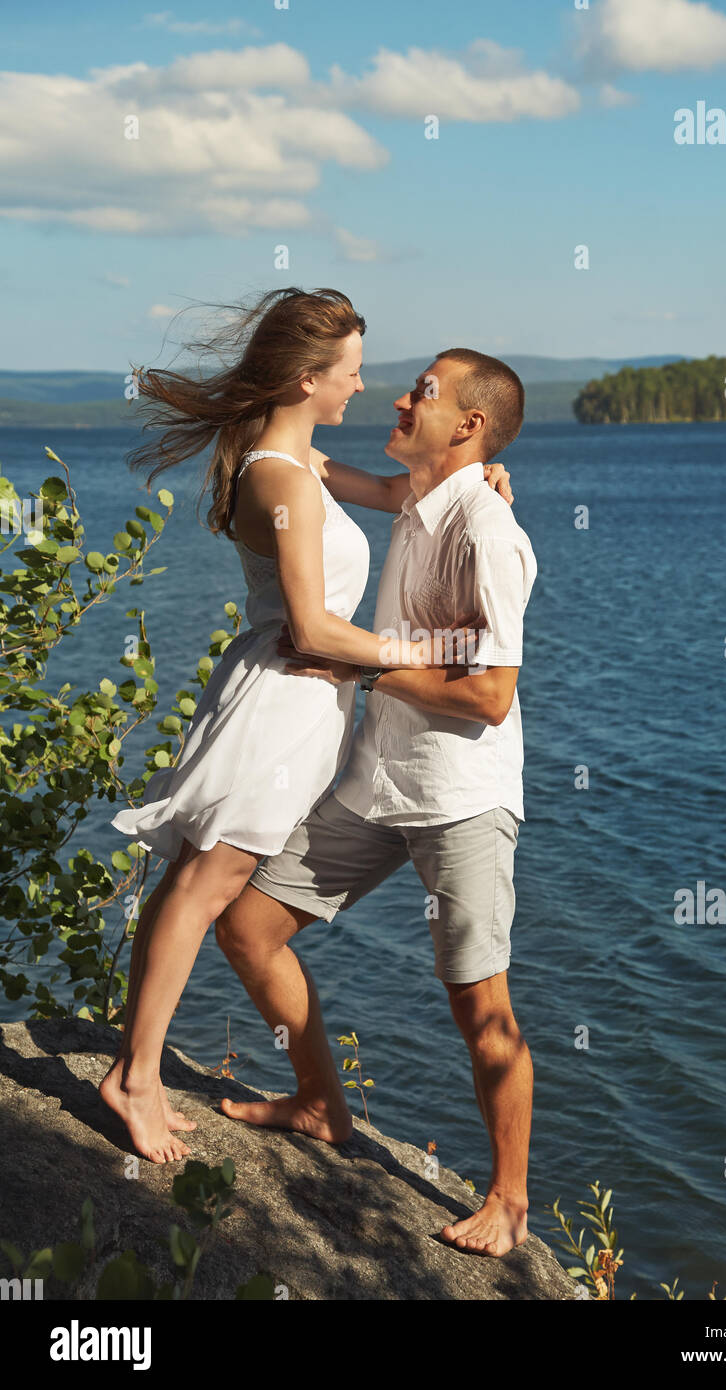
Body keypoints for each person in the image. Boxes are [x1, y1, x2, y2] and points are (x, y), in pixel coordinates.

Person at [101, 288, 512, 1162]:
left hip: (300, 702)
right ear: (304, 379)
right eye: (352, 373)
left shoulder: (304, 465)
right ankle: (135, 1078)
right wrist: (426, 649)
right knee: (210, 882)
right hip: (282, 697)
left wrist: (483, 473)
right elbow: (312, 629)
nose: (365, 389)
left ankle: (137, 1069)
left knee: (200, 879)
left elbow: (410, 488)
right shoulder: (282, 477)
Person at [215, 348, 537, 1257]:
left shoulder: (490, 529)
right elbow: (299, 455)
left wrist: (366, 659)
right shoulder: (420, 498)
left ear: (467, 425)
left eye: (422, 392)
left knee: (480, 1007)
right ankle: (320, 1102)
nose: (399, 397)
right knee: (247, 926)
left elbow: (490, 696)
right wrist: (284, 382)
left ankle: (509, 1202)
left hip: (463, 798)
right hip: (376, 782)